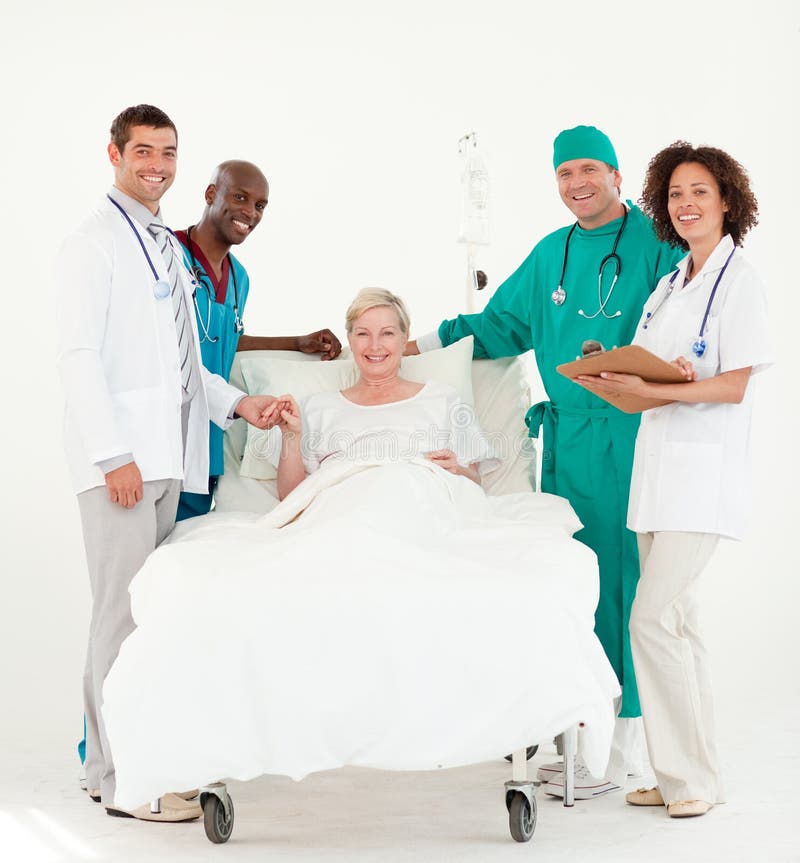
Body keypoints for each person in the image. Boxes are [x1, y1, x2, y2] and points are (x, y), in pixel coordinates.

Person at [97, 289, 620, 811]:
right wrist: (295, 440)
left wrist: (453, 471)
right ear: (349, 341)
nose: (375, 345)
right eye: (363, 334)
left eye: (388, 333)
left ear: (403, 338)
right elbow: (293, 495)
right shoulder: (319, 407)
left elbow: (476, 483)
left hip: (421, 499)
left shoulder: (443, 399)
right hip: (341, 505)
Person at [406, 125, 683, 798]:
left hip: (629, 434)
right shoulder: (550, 253)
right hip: (565, 442)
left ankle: (622, 751)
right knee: (571, 585)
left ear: (617, 175)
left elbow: (680, 338)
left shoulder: (657, 246)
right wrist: (405, 343)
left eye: (589, 168)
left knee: (622, 587)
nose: (576, 182)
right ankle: (579, 735)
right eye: (564, 173)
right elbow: (499, 327)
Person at [56, 105, 277, 822]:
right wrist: (113, 454)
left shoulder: (157, 242)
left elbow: (180, 362)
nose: (157, 164)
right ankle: (128, 780)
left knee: (136, 617)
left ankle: (103, 769)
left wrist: (237, 406)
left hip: (166, 457)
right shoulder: (93, 243)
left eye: (168, 152)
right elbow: (79, 357)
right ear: (114, 153)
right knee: (120, 618)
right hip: (125, 460)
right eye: (143, 150)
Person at [576, 142, 773, 817]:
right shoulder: (669, 285)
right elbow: (658, 374)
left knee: (651, 618)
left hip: (701, 477)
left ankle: (688, 781)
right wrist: (612, 368)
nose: (685, 204)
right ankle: (687, 772)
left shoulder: (740, 281)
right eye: (676, 194)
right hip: (657, 472)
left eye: (699, 192)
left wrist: (665, 387)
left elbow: (735, 384)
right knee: (679, 625)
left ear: (726, 201)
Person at [174, 160, 342, 521]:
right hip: (164, 433)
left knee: (185, 554)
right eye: (240, 197)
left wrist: (297, 342)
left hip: (207, 439)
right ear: (210, 194)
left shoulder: (239, 278)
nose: (250, 212)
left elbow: (225, 340)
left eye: (260, 205)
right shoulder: (169, 257)